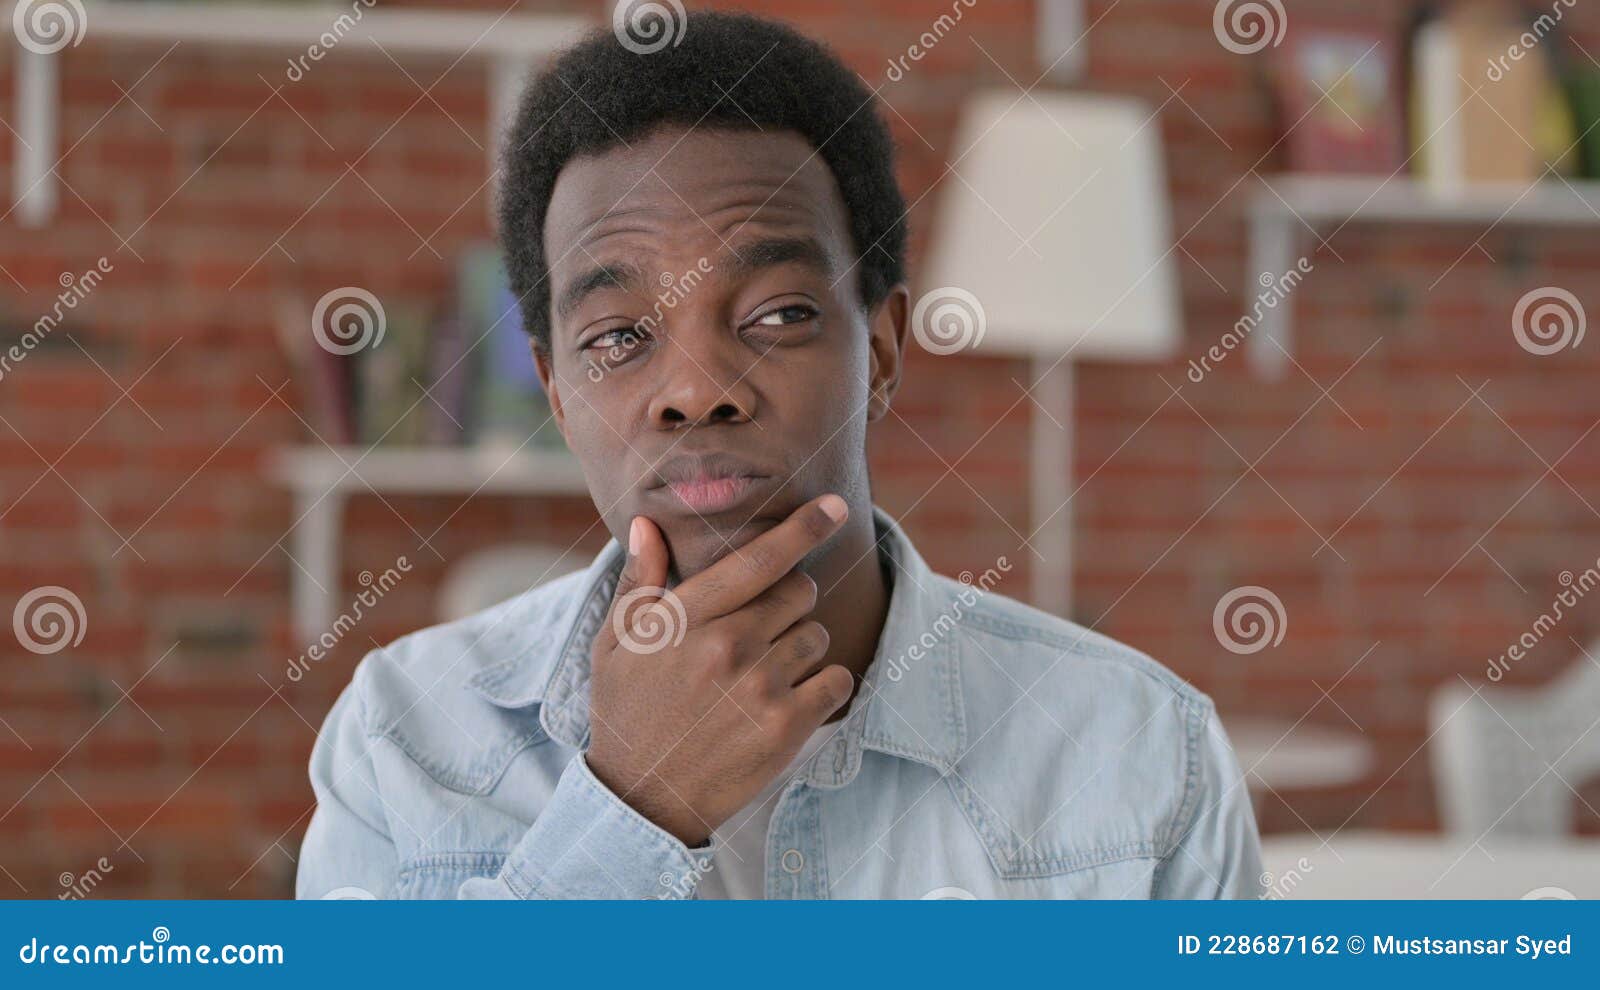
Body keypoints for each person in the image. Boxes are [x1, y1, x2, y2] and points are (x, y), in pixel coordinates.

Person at [296, 10, 1262, 900]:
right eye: (619, 337)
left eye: (778, 313)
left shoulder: (1139, 748)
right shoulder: (404, 736)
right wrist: (633, 806)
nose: (695, 388)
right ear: (556, 392)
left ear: (880, 352)